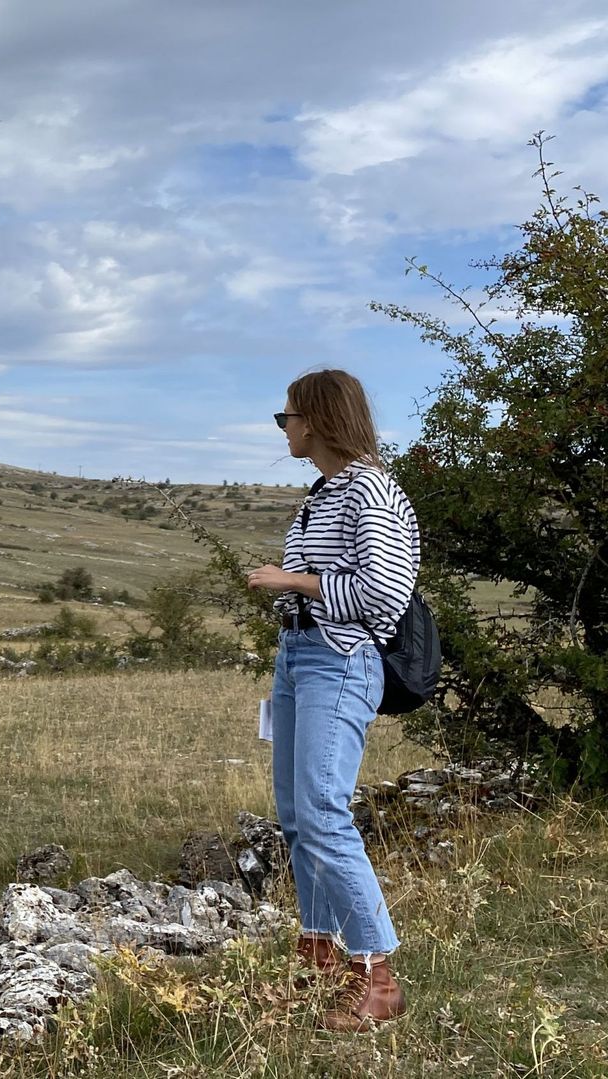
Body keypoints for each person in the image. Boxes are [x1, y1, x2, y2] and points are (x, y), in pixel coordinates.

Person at [246, 369, 419, 1030]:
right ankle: (318, 954)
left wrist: (294, 580)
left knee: (322, 811)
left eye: (286, 416)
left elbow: (385, 591)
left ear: (315, 420)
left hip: (340, 660)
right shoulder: (327, 490)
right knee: (297, 815)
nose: (283, 428)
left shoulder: (369, 488)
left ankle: (378, 976)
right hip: (299, 657)